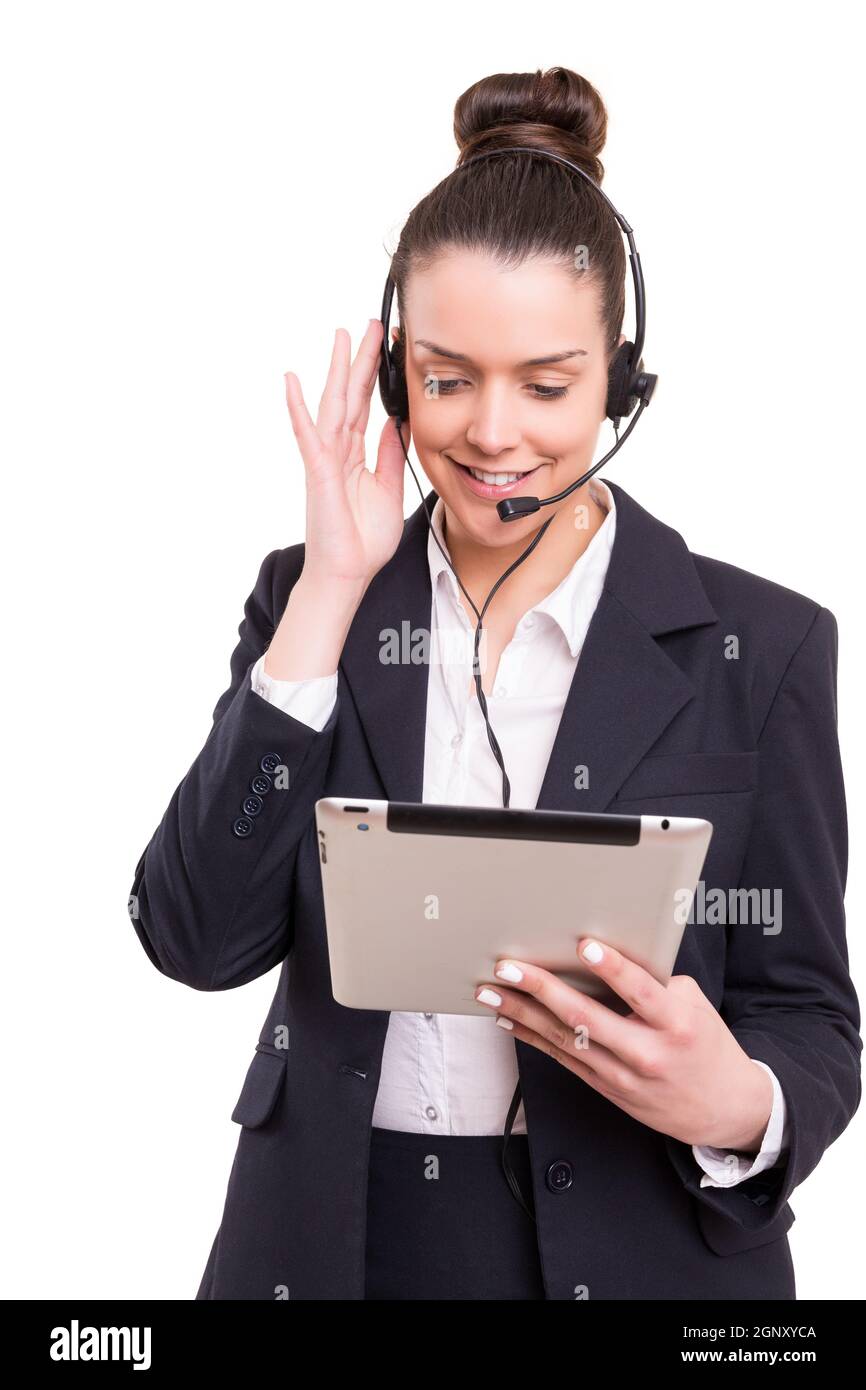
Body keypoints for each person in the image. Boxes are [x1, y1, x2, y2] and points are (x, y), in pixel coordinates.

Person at [128, 66, 861, 1300]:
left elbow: (809, 1012)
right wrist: (326, 593)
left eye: (547, 382)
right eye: (447, 377)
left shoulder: (764, 644)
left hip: (640, 1252)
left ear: (619, 380)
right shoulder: (312, 601)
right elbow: (194, 937)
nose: (491, 433)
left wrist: (737, 1098)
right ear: (396, 368)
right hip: (332, 1246)